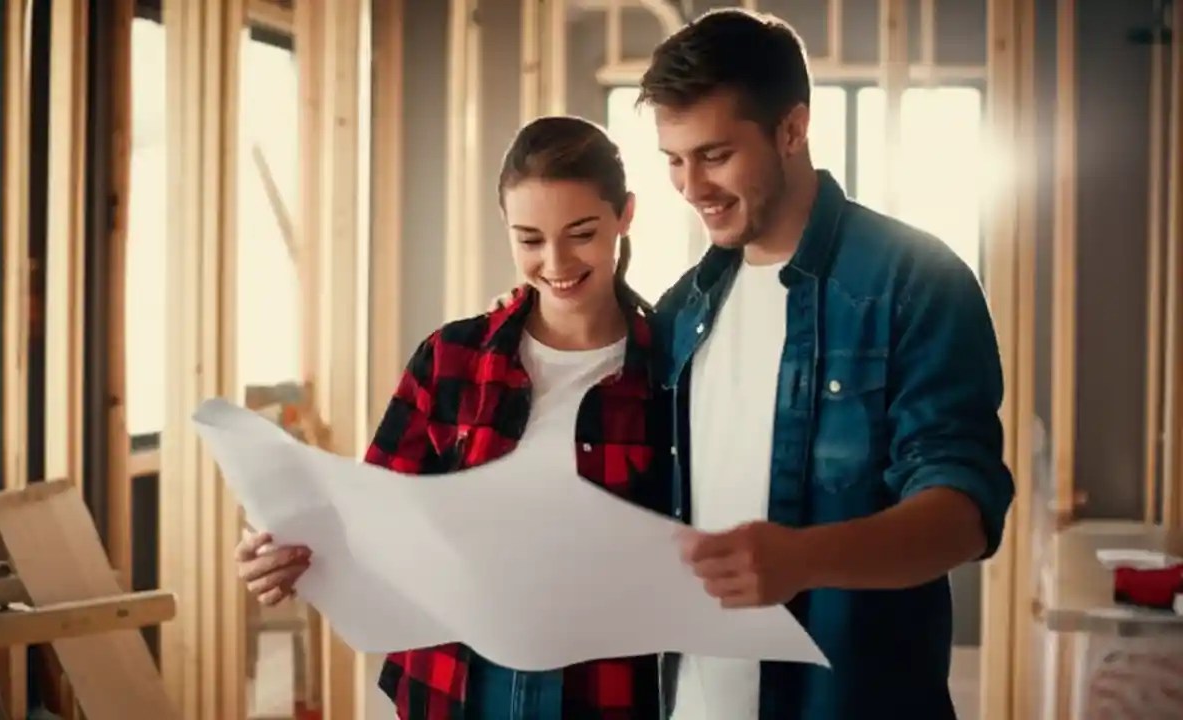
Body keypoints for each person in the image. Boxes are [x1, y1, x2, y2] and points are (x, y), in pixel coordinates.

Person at [639, 8, 1015, 720]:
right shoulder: (681, 310)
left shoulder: (913, 280)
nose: (691, 186)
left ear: (791, 130)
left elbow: (962, 515)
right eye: (673, 160)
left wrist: (802, 558)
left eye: (715, 155)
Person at [234, 116, 670, 719]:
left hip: (603, 690)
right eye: (529, 239)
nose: (555, 261)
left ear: (625, 215)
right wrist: (283, 546)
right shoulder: (453, 358)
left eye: (581, 233)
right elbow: (373, 509)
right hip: (457, 682)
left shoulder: (669, 372)